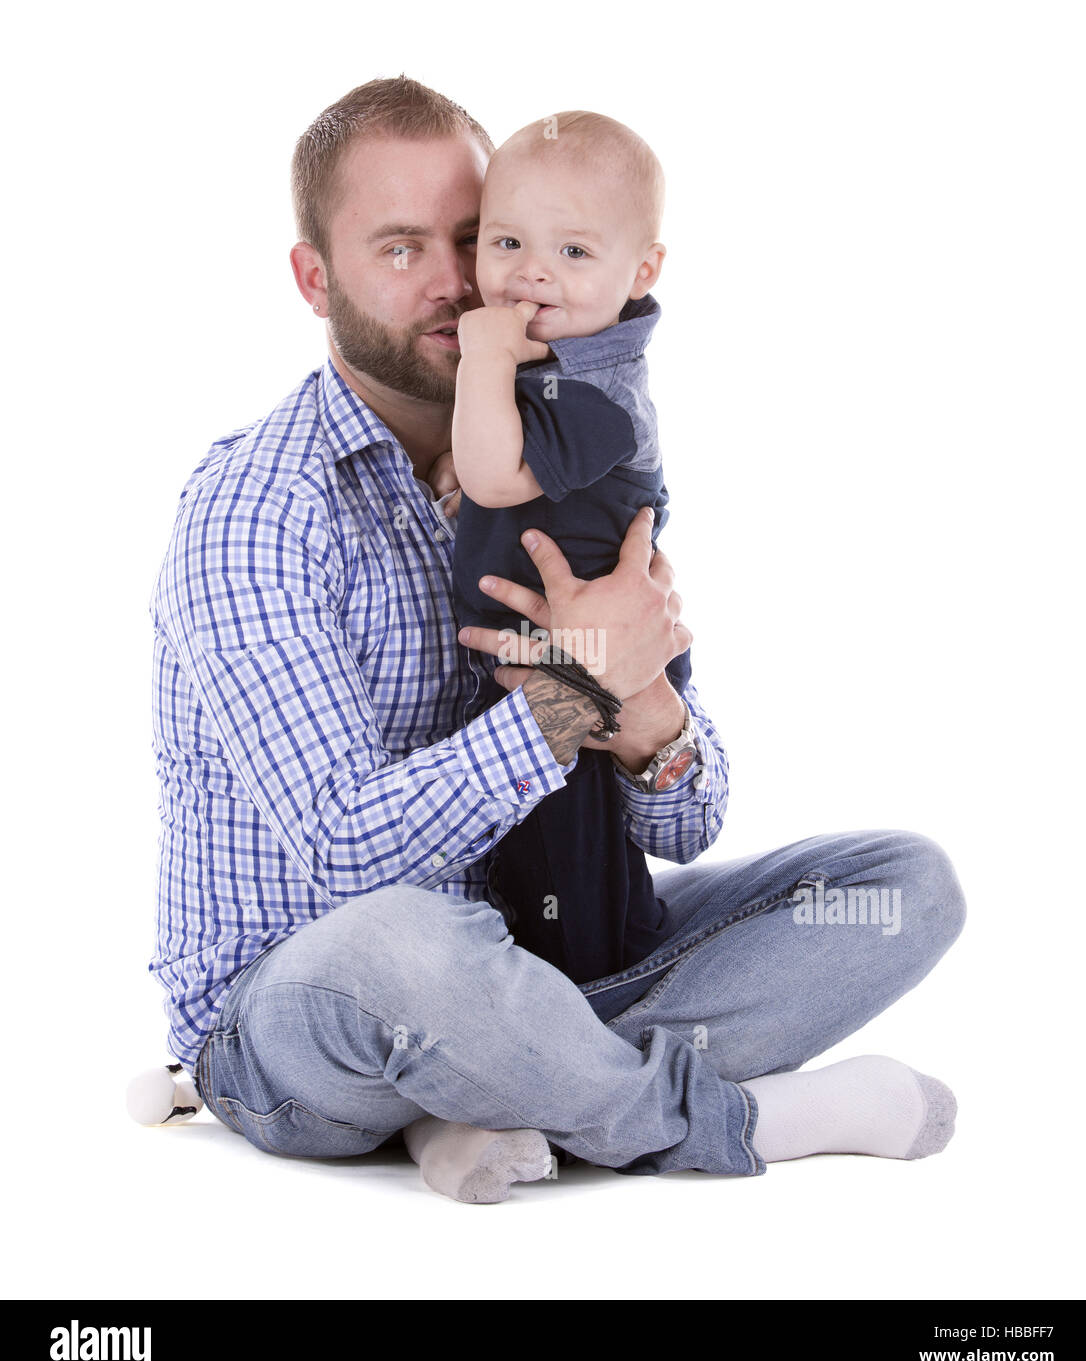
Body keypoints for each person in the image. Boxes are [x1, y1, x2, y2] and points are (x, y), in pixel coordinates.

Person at [148, 75, 966, 1205]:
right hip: (304, 1002)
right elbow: (340, 855)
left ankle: (489, 1096)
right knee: (410, 945)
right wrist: (579, 684)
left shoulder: (562, 467)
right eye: (398, 248)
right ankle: (730, 1117)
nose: (456, 281)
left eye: (474, 238)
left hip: (538, 948)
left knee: (898, 890)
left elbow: (688, 820)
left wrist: (649, 712)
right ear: (313, 278)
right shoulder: (256, 510)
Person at [444, 110, 693, 986]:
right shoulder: (555, 357)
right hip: (543, 679)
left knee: (573, 886)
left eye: (575, 253)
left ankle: (592, 1033)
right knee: (549, 876)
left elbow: (492, 475)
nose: (532, 272)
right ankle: (605, 1016)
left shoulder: (603, 390)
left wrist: (481, 356)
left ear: (643, 270)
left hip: (599, 685)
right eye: (506, 241)